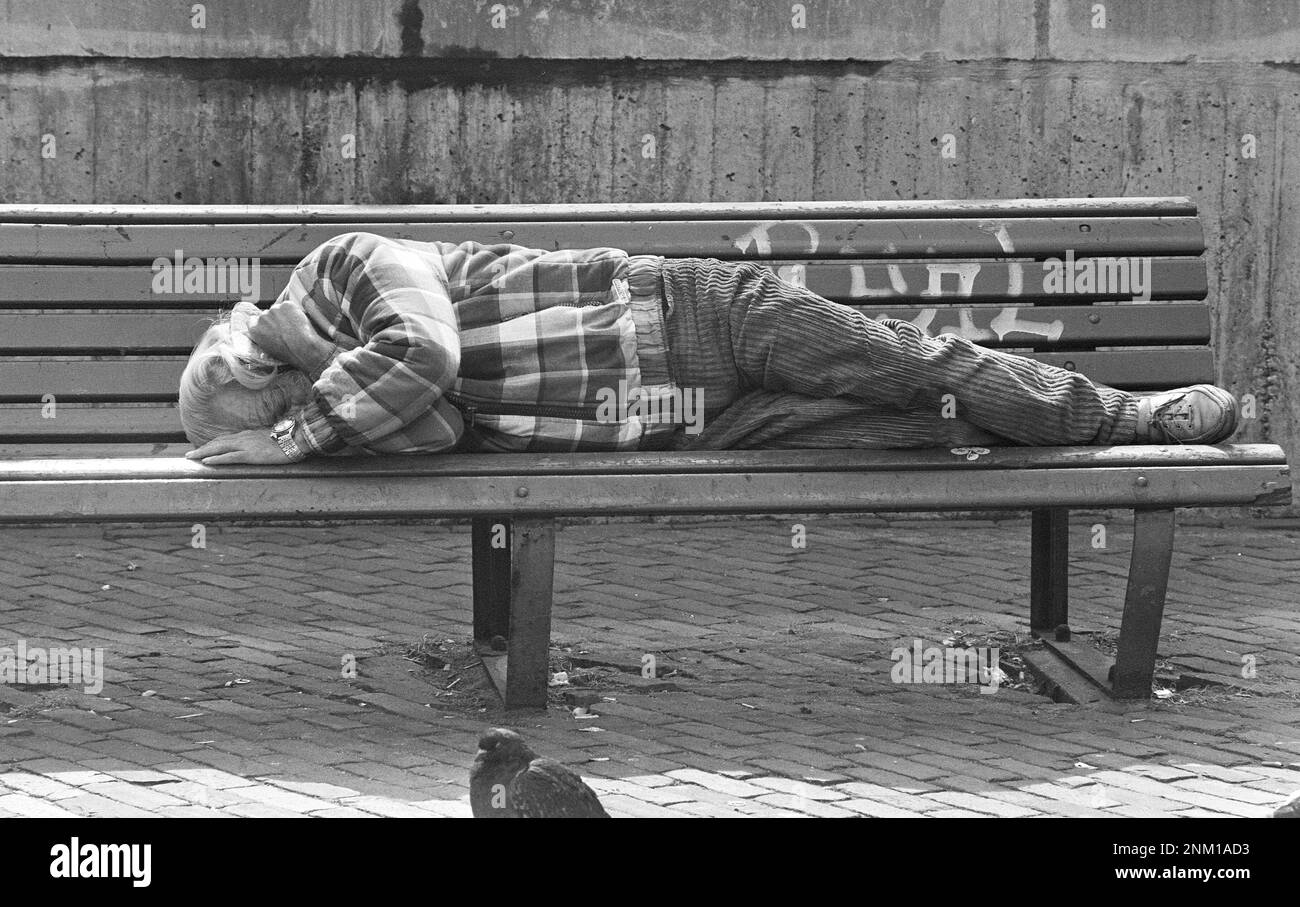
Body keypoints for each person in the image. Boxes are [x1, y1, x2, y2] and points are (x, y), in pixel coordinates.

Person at [180, 232, 1237, 465]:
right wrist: (337, 429)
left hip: (700, 317)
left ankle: (1123, 419)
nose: (312, 435)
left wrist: (298, 438)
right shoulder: (342, 383)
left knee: (921, 367)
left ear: (256, 368)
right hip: (679, 423)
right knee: (908, 430)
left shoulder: (345, 266)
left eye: (281, 418)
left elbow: (426, 358)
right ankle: (1036, 439)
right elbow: (443, 426)